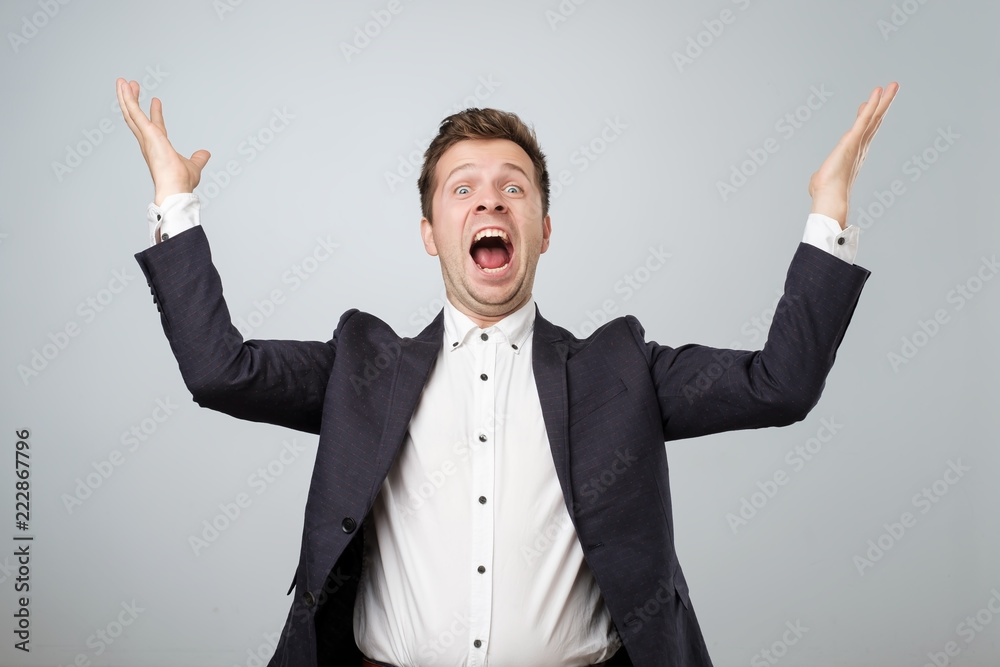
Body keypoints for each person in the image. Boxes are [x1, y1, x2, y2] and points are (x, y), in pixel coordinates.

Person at [116, 77, 898, 667]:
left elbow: (780, 384)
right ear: (431, 231)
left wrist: (828, 211)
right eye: (463, 188)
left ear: (542, 229)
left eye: (512, 187)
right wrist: (175, 202)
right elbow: (220, 371)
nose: (489, 201)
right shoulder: (362, 366)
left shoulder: (621, 368)